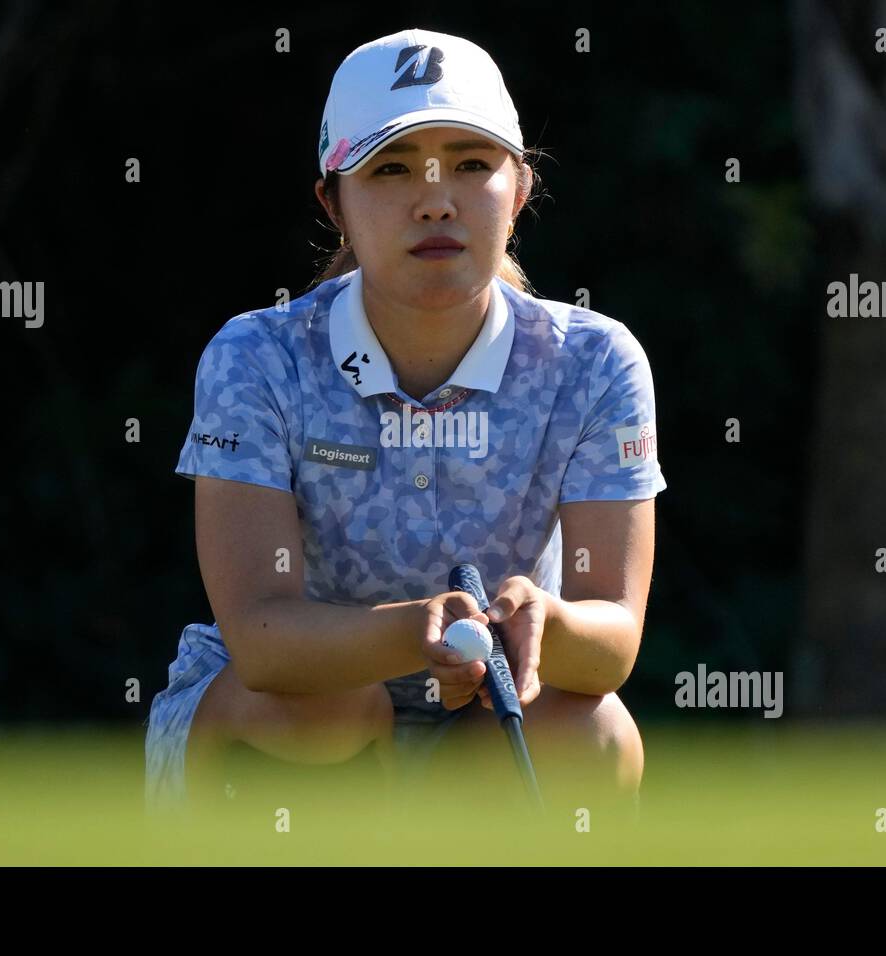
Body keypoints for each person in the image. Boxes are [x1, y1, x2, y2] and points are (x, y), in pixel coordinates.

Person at [145, 27, 665, 820]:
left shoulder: (596, 360)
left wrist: (546, 622)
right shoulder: (256, 355)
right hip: (284, 712)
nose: (434, 198)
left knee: (593, 732)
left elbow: (614, 636)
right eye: (391, 168)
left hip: (487, 718)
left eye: (471, 163)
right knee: (332, 713)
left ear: (519, 190)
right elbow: (259, 638)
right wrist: (418, 631)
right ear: (334, 200)